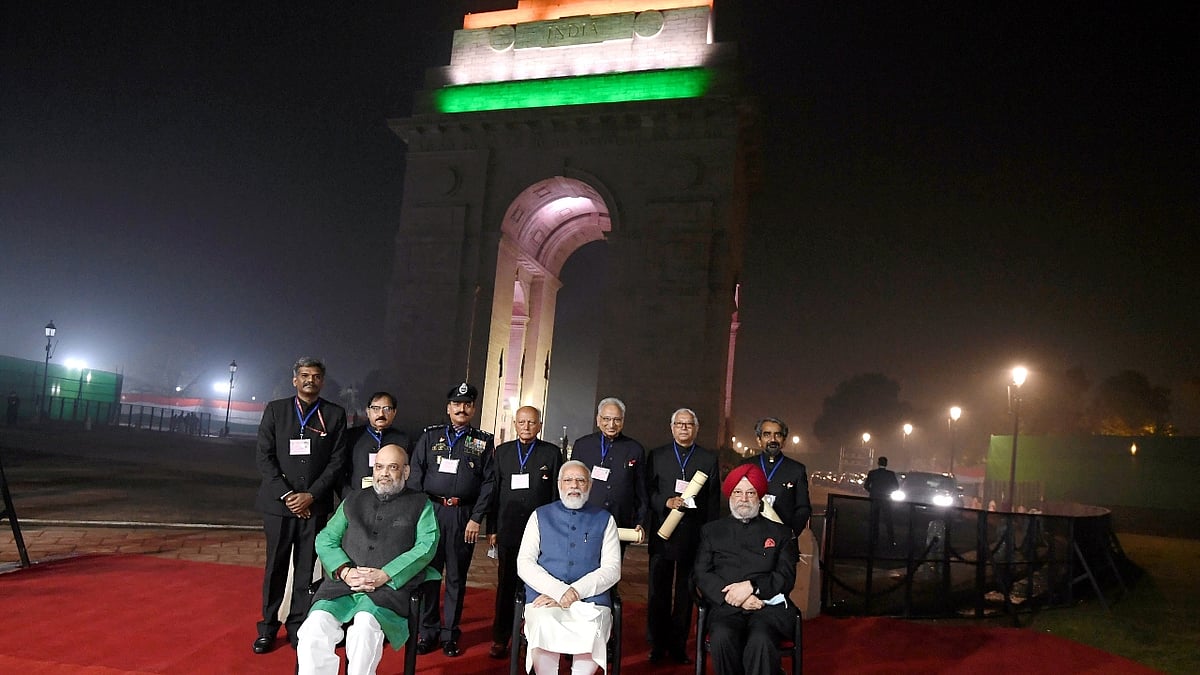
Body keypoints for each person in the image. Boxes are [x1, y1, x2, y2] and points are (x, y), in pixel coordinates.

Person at [296, 444, 439, 675]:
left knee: (364, 628)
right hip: (343, 586)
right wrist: (345, 571)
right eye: (379, 467)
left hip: (388, 589)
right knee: (314, 628)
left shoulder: (421, 504)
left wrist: (386, 574)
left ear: (406, 471)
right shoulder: (353, 499)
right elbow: (326, 538)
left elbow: (426, 546)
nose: (384, 473)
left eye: (392, 467)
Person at [253, 357, 348, 654]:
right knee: (276, 567)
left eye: (316, 376)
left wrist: (311, 495)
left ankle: (298, 626)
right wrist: (287, 495)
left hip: (314, 507)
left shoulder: (334, 414)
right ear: (295, 380)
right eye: (305, 375)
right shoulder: (276, 410)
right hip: (279, 506)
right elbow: (264, 457)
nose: (310, 380)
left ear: (322, 381)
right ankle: (268, 627)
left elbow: (337, 461)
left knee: (307, 570)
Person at [406, 381, 496, 657]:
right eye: (456, 404)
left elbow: (489, 483)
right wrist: (418, 514)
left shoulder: (482, 441)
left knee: (456, 577)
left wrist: (476, 518)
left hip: (463, 516)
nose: (461, 409)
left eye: (467, 404)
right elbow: (416, 473)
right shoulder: (430, 436)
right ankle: (428, 632)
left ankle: (449, 635)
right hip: (431, 512)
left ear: (473, 409)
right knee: (429, 574)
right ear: (448, 408)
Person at [517, 460, 621, 675]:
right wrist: (559, 591)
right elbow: (524, 563)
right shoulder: (539, 515)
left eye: (581, 480)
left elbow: (612, 569)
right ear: (559, 485)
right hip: (545, 596)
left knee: (592, 629)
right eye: (568, 480)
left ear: (590, 485)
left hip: (590, 599)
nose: (574, 485)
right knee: (544, 624)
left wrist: (575, 592)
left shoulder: (605, 519)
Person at [694, 464, 798, 675]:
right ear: (730, 496)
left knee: (761, 640)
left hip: (767, 608)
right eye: (738, 492)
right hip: (726, 607)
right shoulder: (711, 531)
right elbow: (701, 573)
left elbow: (786, 576)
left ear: (759, 497)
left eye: (750, 493)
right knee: (722, 637)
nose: (743, 499)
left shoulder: (781, 533)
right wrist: (738, 598)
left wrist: (753, 587)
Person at [486, 405, 563, 659]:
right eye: (522, 422)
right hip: (508, 530)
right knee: (506, 586)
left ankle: (531, 636)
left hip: (541, 532)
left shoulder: (551, 453)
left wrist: (555, 530)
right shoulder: (503, 452)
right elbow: (494, 492)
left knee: (536, 586)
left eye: (531, 422)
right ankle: (500, 637)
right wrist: (492, 528)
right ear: (515, 424)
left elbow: (556, 495)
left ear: (539, 425)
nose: (526, 427)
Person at [644, 408, 719, 664]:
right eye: (679, 424)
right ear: (672, 427)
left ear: (696, 429)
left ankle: (678, 646)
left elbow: (712, 501)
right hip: (663, 532)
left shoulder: (708, 458)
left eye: (689, 424)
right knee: (658, 592)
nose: (684, 428)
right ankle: (657, 645)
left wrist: (710, 539)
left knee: (686, 594)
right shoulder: (657, 455)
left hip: (693, 535)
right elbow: (647, 492)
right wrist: (665, 502)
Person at [570, 397, 647, 547]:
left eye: (617, 420)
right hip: (585, 519)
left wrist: (640, 521)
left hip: (619, 522)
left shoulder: (635, 449)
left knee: (614, 560)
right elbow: (571, 483)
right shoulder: (582, 445)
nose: (611, 424)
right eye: (606, 419)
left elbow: (641, 490)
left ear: (623, 421)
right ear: (598, 419)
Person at [738, 417, 811, 536]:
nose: (773, 439)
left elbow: (803, 508)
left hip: (783, 537)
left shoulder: (797, 470)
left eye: (778, 435)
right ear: (759, 440)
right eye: (767, 435)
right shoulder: (745, 466)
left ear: (784, 441)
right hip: (748, 535)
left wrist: (791, 532)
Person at [343, 391, 409, 495]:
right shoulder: (352, 437)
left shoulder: (403, 440)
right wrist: (348, 496)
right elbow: (340, 471)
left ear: (394, 412)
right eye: (375, 408)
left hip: (393, 498)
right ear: (368, 411)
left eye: (387, 409)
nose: (381, 414)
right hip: (356, 497)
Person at [863, 456, 899, 546]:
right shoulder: (890, 474)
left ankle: (874, 539)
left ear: (878, 463)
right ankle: (891, 540)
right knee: (888, 520)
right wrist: (888, 492)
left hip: (875, 498)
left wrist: (872, 492)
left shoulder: (872, 473)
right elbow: (896, 487)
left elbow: (866, 486)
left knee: (874, 520)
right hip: (886, 499)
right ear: (886, 464)